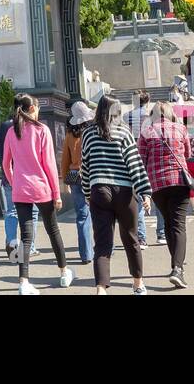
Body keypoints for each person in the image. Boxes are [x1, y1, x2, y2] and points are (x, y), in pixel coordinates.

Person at [2, 94, 72, 295]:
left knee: (25, 237)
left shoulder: (11, 131)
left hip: (21, 189)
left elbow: (6, 164)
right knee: (53, 231)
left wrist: (15, 181)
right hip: (42, 188)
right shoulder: (42, 130)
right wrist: (56, 193)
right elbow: (49, 165)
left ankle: (23, 282)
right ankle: (64, 272)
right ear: (32, 108)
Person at [82, 94, 152, 295]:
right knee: (131, 239)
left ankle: (101, 288)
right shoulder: (123, 131)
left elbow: (85, 169)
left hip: (99, 191)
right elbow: (134, 164)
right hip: (123, 192)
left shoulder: (88, 133)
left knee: (102, 243)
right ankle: (138, 284)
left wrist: (88, 194)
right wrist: (145, 192)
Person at [138, 102, 194, 289]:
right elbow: (188, 153)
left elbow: (141, 159)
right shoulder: (181, 128)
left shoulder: (146, 131)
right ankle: (177, 268)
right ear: (170, 113)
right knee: (178, 225)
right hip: (179, 180)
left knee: (169, 223)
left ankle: (175, 265)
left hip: (157, 185)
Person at [0, 110, 38, 261]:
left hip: (8, 175)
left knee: (11, 211)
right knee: (32, 212)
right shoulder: (30, 128)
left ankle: (11, 243)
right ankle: (31, 247)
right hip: (26, 176)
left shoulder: (4, 127)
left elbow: (3, 155)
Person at [59, 100, 93, 266]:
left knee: (82, 215)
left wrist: (64, 178)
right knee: (102, 213)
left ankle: (86, 254)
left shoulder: (70, 135)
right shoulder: (94, 132)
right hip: (93, 175)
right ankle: (105, 248)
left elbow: (64, 160)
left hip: (75, 176)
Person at [125, 92, 162, 247]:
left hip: (133, 158)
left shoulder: (127, 117)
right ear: (148, 102)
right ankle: (162, 233)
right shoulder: (151, 118)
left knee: (138, 199)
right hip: (151, 160)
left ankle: (141, 237)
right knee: (158, 197)